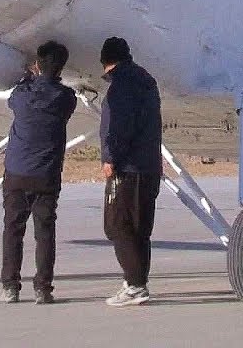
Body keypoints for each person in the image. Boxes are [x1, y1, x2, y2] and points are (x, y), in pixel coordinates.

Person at [0, 40, 76, 305]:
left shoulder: (22, 95)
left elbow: (14, 98)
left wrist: (28, 77)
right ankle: (43, 288)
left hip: (16, 171)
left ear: (38, 64)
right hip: (46, 174)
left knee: (13, 229)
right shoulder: (65, 98)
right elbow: (66, 99)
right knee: (44, 232)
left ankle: (10, 286)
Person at [98, 37, 163, 307]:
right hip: (149, 165)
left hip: (129, 168)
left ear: (106, 62)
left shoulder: (120, 88)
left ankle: (135, 286)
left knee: (118, 226)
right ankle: (137, 281)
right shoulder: (146, 81)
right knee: (140, 229)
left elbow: (117, 126)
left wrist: (110, 158)